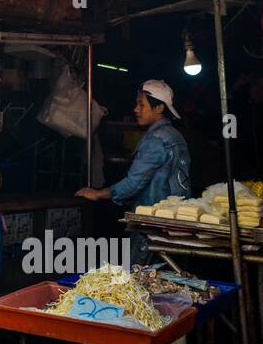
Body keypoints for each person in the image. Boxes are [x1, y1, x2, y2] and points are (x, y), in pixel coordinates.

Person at [76, 80, 191, 261]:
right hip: (175, 222)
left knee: (139, 279)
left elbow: (134, 183)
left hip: (152, 224)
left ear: (159, 108)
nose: (136, 110)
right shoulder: (175, 135)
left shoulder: (156, 139)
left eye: (141, 105)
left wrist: (98, 194)